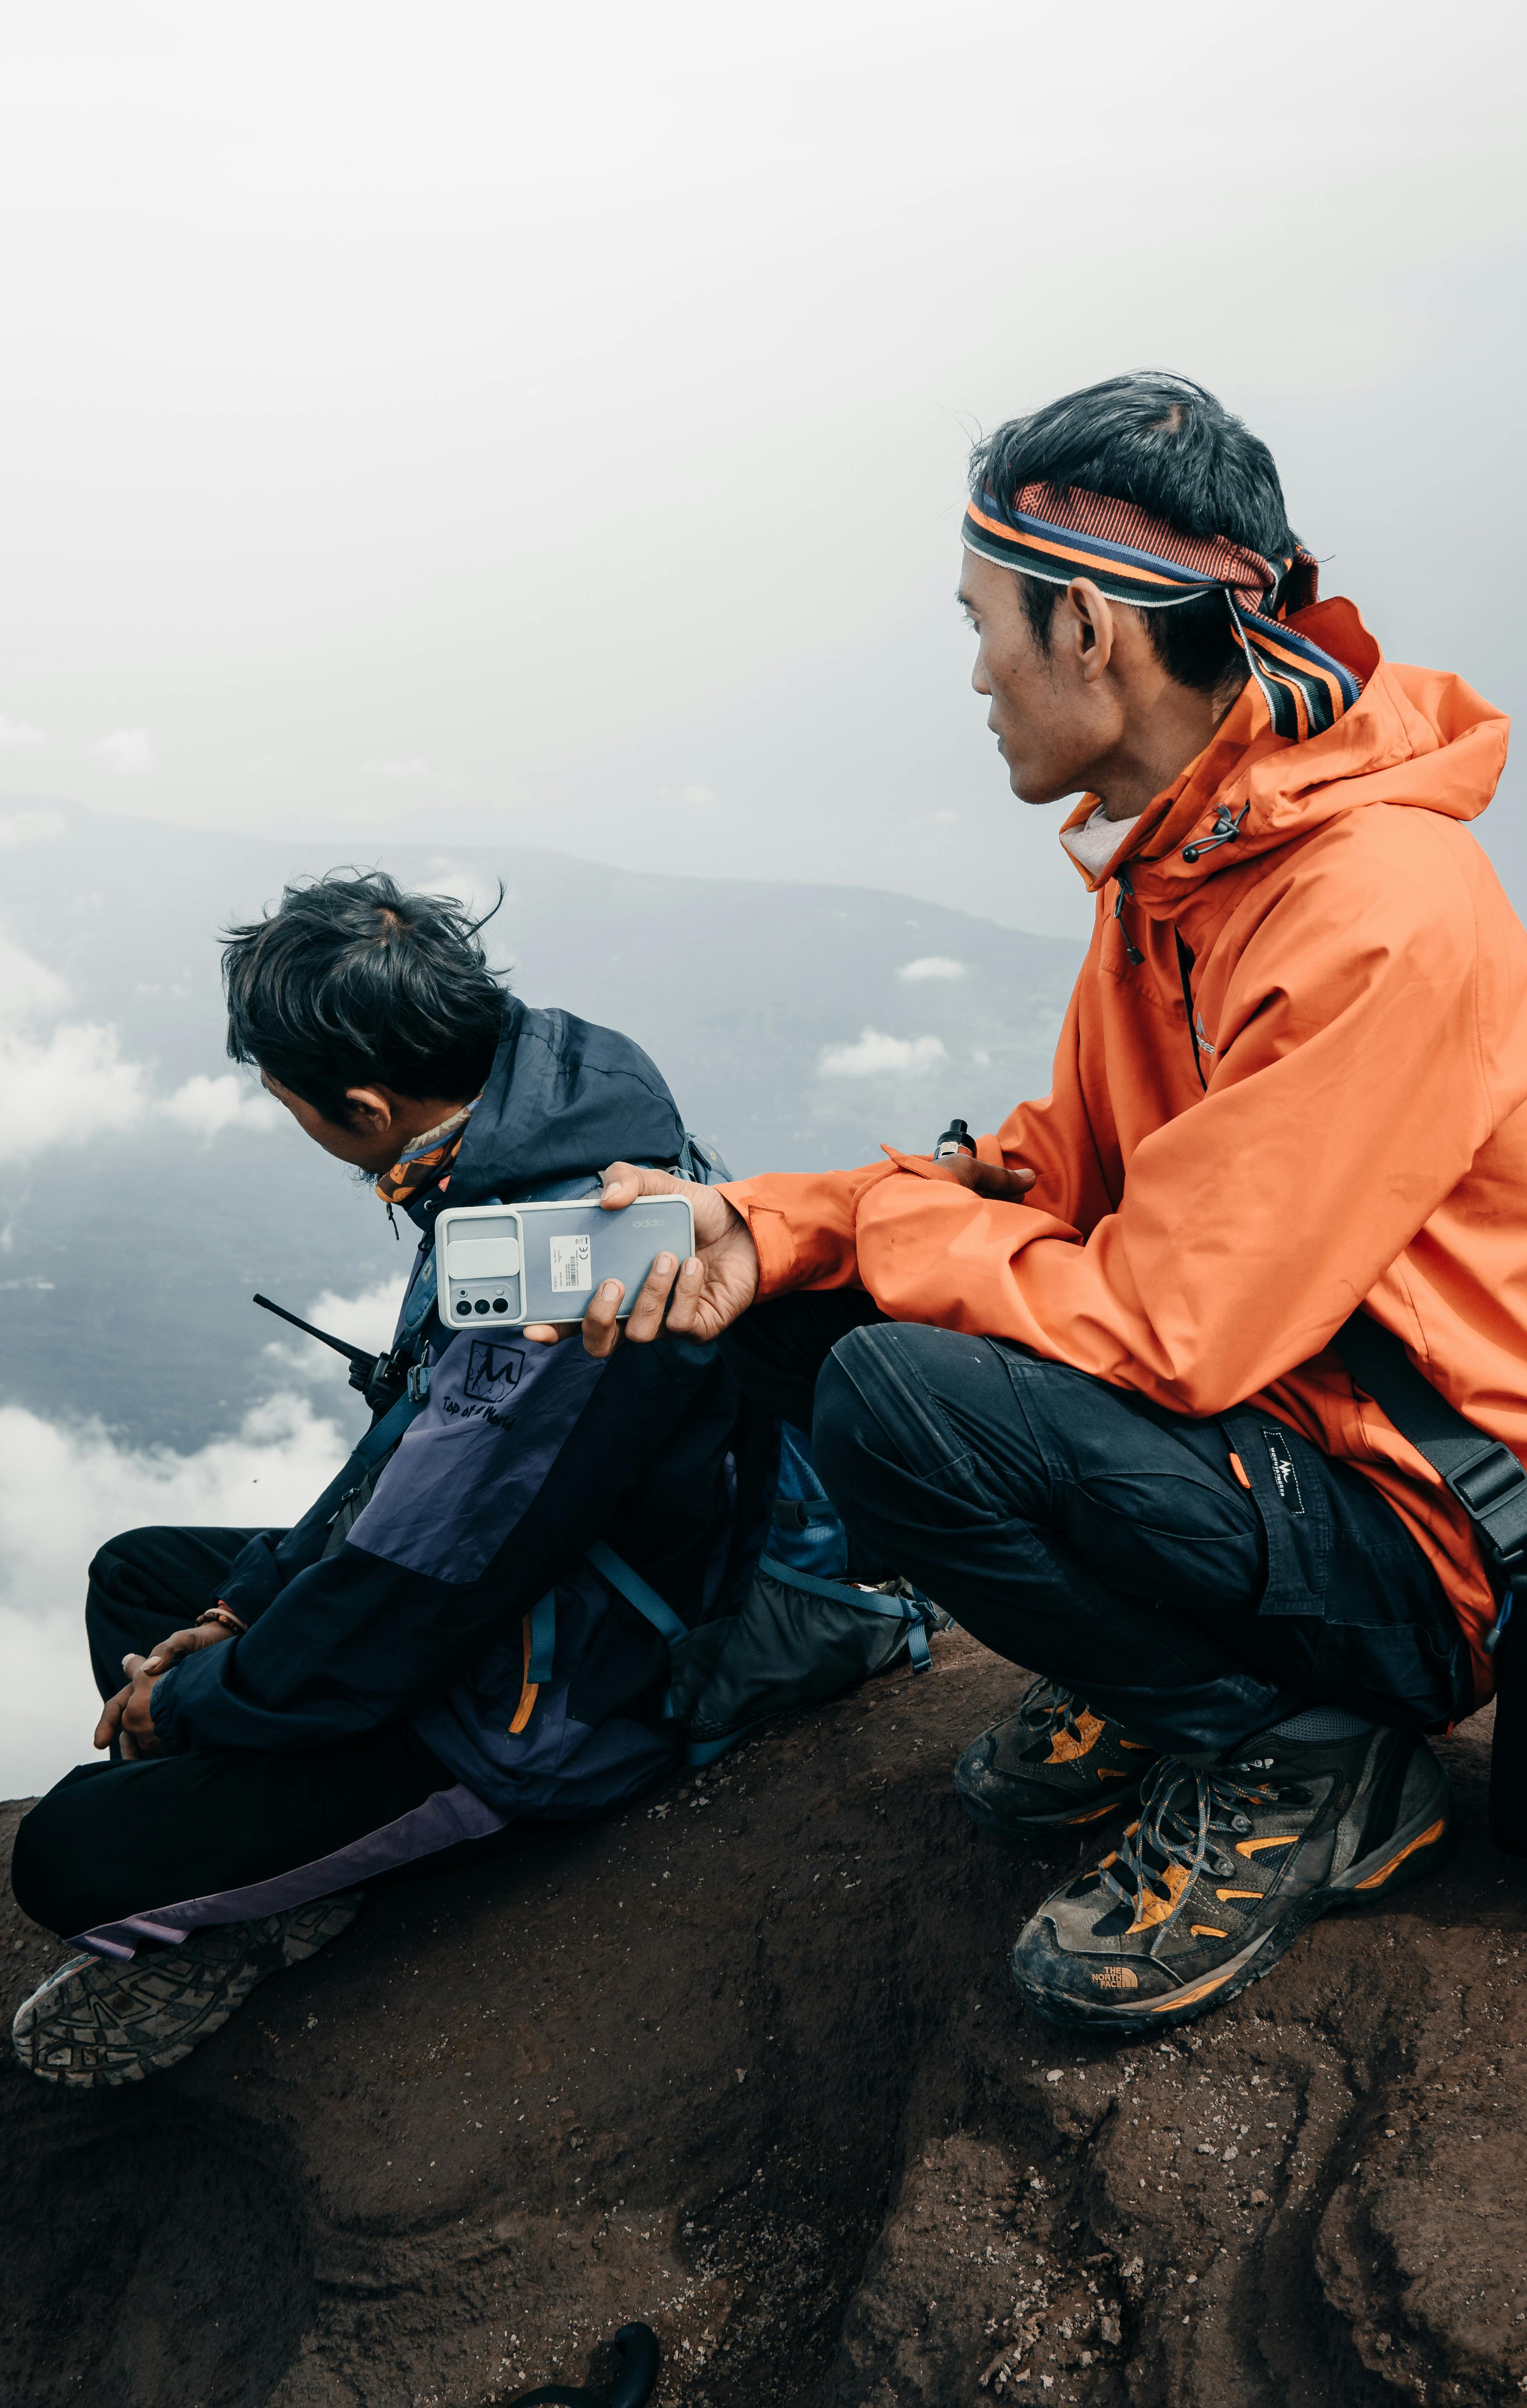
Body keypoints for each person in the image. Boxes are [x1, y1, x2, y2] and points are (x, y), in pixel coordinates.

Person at [547, 370, 1527, 2033]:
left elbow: (1171, 1323)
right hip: (1284, 1442)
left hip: (1427, 1529)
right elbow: (1051, 1175)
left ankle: (1294, 1752)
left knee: (895, 1390)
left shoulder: (1373, 907)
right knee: (799, 1301)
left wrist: (886, 1240)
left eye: (982, 621)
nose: (977, 677)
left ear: (1090, 629)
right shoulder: (1186, 862)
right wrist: (766, 1226)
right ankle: (1170, 1679)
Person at [11, 872, 738, 2085]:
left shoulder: (564, 1278)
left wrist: (186, 1705)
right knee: (141, 1581)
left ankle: (274, 1902)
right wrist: (241, 1612)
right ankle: (276, 1853)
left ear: (361, 1106)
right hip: (512, 1596)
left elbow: (405, 1601)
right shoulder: (537, 1123)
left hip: (560, 1699)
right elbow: (413, 1437)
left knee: (66, 1859)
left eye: (292, 1100)